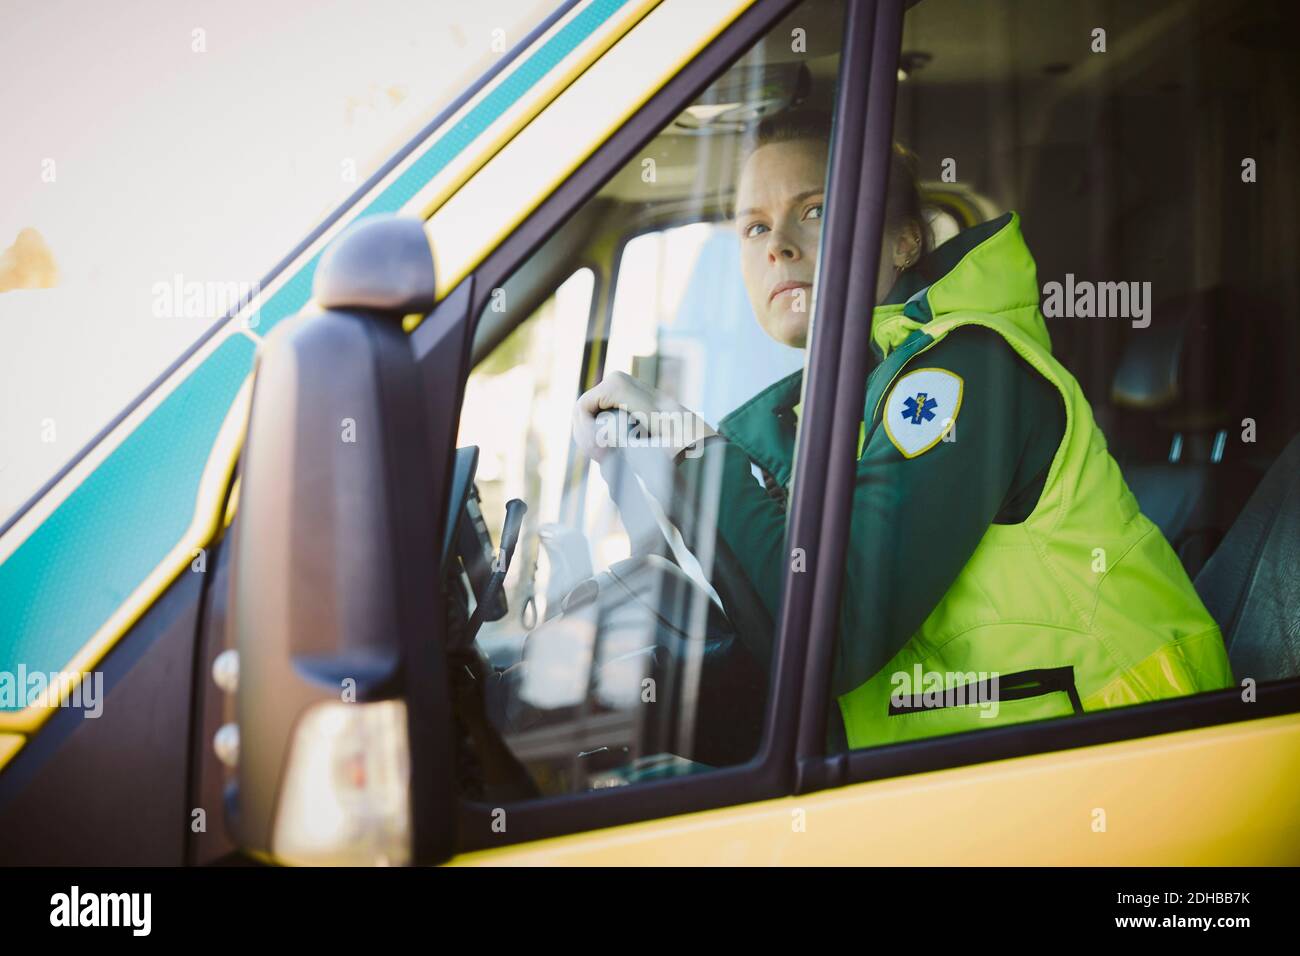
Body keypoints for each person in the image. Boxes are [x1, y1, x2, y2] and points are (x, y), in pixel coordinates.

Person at [572, 110, 1233, 752]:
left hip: (1126, 753)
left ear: (903, 241)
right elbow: (788, 622)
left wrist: (688, 447)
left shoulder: (962, 372)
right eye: (753, 227)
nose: (777, 245)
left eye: (815, 211)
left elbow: (832, 636)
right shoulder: (840, 407)